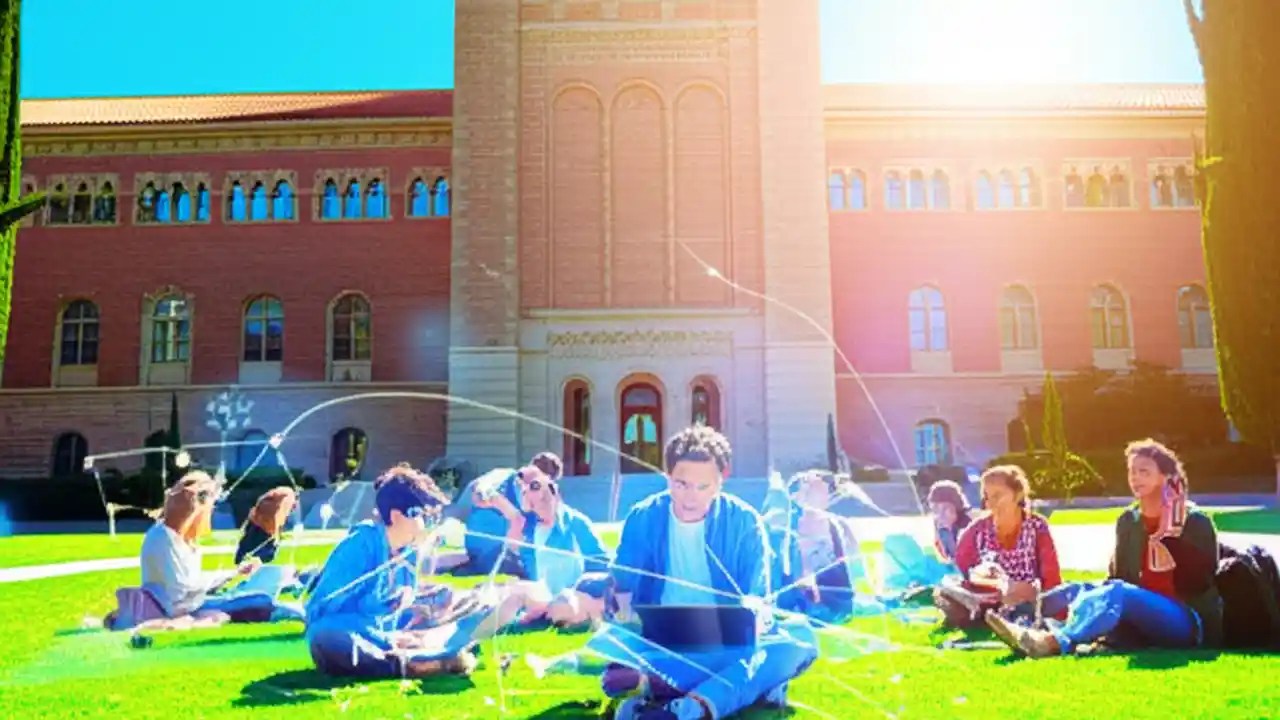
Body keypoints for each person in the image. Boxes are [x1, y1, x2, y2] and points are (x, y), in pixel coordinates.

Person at [602, 425, 819, 720]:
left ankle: (672, 701)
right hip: (659, 643)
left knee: (800, 638)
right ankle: (746, 687)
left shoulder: (744, 522)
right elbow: (621, 588)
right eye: (681, 484)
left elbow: (758, 596)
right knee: (762, 661)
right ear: (667, 478)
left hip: (724, 642)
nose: (690, 497)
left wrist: (754, 617)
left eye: (702, 486)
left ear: (721, 481)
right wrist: (624, 623)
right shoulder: (643, 516)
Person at [987, 439, 1222, 657]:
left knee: (1117, 591)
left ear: (1165, 477)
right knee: (1077, 589)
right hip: (1137, 610)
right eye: (1132, 471)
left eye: (1144, 471)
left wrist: (1170, 539)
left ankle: (1055, 641)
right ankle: (1018, 620)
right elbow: (1117, 576)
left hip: (1186, 619)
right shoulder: (1129, 521)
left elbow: (1202, 582)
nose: (1135, 478)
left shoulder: (1193, 521)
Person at [305, 464, 525, 678]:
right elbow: (321, 612)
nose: (429, 524)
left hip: (395, 630)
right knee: (328, 637)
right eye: (424, 516)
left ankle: (429, 651)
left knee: (480, 600)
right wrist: (387, 638)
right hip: (354, 633)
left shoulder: (408, 552)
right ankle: (419, 662)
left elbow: (397, 604)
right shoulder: (359, 546)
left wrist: (427, 603)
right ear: (397, 515)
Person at [137, 471, 301, 625]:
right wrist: (227, 577)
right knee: (259, 599)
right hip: (186, 608)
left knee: (275, 573)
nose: (211, 512)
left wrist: (234, 574)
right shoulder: (163, 538)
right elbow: (182, 592)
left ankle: (288, 592)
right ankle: (287, 610)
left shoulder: (180, 539)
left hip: (197, 602)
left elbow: (191, 585)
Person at [484, 453, 612, 629]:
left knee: (562, 603)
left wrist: (578, 594)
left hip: (573, 599)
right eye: (526, 491)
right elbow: (524, 566)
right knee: (506, 593)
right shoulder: (529, 528)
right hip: (543, 598)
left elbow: (601, 568)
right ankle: (474, 640)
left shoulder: (575, 523)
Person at [933, 466, 1062, 627]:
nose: (991, 504)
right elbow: (962, 566)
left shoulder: (1037, 527)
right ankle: (985, 615)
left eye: (997, 496)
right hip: (988, 597)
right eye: (987, 497)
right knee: (947, 589)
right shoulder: (978, 529)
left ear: (1017, 494)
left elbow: (1052, 578)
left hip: (1027, 598)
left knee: (1034, 598)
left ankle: (1001, 618)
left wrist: (1045, 604)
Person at [768, 470, 872, 622]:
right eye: (816, 487)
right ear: (799, 495)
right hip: (797, 602)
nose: (826, 491)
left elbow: (857, 570)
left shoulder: (838, 525)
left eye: (825, 489)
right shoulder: (783, 525)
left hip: (838, 599)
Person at [879, 480, 973, 592]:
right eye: (935, 510)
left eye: (946, 509)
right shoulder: (939, 527)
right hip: (946, 570)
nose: (940, 515)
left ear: (958, 507)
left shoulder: (968, 528)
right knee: (895, 541)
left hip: (961, 574)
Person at [235, 486, 297, 565]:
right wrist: (276, 534)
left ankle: (240, 559)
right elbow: (278, 517)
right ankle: (247, 560)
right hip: (265, 525)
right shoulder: (287, 500)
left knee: (247, 543)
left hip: (258, 520)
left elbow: (262, 500)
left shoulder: (280, 495)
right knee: (268, 552)